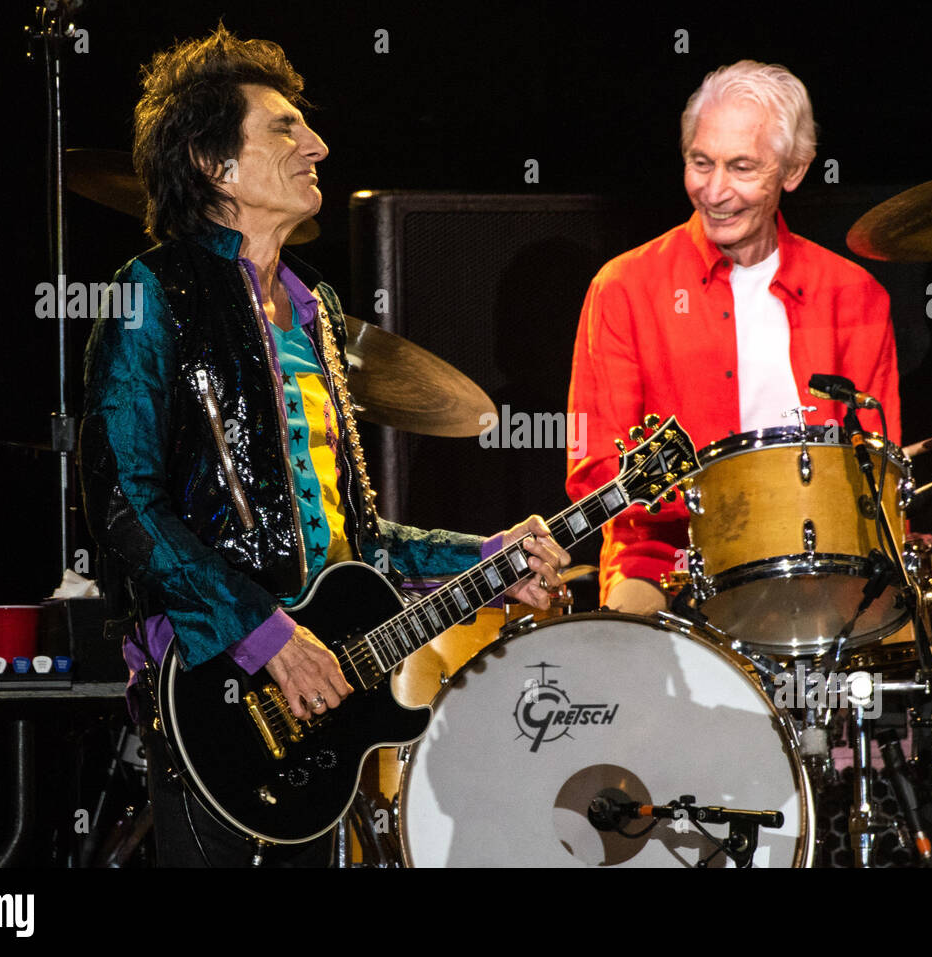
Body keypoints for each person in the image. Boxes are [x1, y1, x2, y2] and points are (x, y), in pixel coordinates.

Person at [79, 25, 568, 866]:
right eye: (284, 129)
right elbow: (125, 499)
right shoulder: (153, 291)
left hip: (323, 707)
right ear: (211, 162)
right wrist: (264, 635)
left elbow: (360, 546)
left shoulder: (318, 315)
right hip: (213, 690)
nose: (318, 144)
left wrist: (488, 558)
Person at [567, 60, 901, 614]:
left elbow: (878, 467)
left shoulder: (854, 295)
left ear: (793, 171)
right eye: (701, 163)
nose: (714, 191)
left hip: (817, 557)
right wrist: (723, 504)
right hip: (664, 561)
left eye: (742, 168)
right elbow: (593, 476)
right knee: (627, 654)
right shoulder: (624, 288)